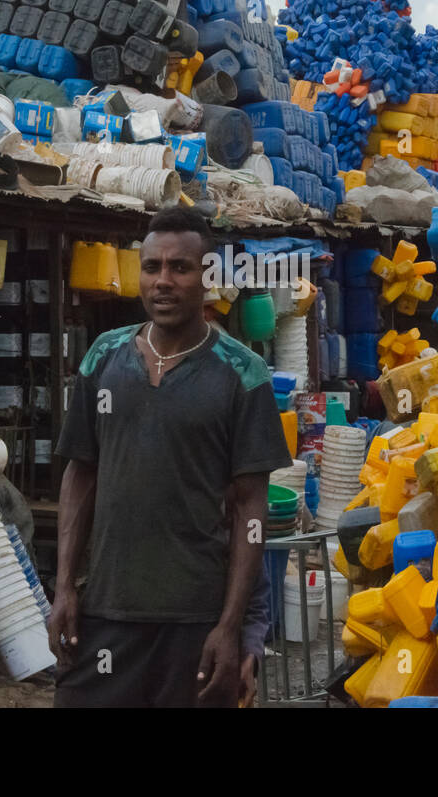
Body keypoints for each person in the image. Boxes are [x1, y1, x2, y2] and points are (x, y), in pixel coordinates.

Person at [51, 206, 292, 707]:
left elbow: (252, 508)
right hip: (105, 615)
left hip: (196, 624)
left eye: (180, 268)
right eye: (152, 267)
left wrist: (234, 629)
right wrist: (65, 589)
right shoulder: (103, 358)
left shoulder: (243, 374)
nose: (163, 281)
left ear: (207, 278)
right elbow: (80, 473)